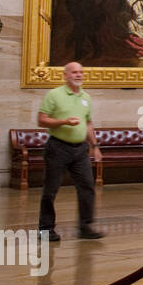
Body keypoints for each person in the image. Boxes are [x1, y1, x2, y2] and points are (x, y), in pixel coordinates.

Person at [36, 62, 104, 241]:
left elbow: (88, 123)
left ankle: (86, 226)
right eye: (74, 72)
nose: (79, 75)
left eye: (81, 72)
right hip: (58, 147)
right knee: (51, 190)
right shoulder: (54, 94)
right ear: (65, 75)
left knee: (87, 186)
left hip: (80, 149)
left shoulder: (86, 97)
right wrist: (64, 122)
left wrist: (95, 146)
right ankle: (46, 229)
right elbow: (41, 120)